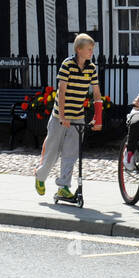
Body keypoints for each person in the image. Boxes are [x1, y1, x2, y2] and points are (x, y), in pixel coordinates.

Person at [34, 33, 103, 198]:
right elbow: (62, 91)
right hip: (59, 116)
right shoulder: (67, 65)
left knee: (71, 154)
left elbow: (96, 94)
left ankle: (63, 187)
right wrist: (63, 116)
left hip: (78, 115)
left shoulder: (91, 69)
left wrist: (97, 118)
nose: (91, 52)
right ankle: (40, 176)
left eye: (92, 49)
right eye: (89, 49)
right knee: (52, 153)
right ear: (79, 50)